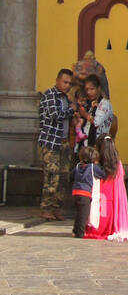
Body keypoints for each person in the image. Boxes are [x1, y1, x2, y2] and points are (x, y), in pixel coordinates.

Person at [85, 136, 128, 243]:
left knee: (96, 224)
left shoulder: (96, 164)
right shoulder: (117, 164)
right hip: (110, 202)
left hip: (99, 200)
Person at [38, 68, 75, 222]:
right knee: (52, 176)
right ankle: (46, 208)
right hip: (51, 142)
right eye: (65, 82)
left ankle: (56, 208)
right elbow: (55, 116)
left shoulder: (65, 98)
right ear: (57, 80)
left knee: (64, 177)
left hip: (64, 142)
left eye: (69, 83)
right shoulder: (49, 95)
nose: (67, 85)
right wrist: (70, 110)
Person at [71, 145, 105, 239]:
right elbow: (102, 174)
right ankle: (80, 233)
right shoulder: (93, 167)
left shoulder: (78, 166)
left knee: (79, 213)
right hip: (85, 193)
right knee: (84, 215)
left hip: (75, 192)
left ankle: (75, 230)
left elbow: (71, 175)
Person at [76, 74, 115, 147]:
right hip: (86, 146)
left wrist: (85, 114)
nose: (88, 92)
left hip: (99, 145)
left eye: (92, 89)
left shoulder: (104, 104)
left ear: (99, 88)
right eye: (87, 89)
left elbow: (96, 123)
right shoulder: (91, 104)